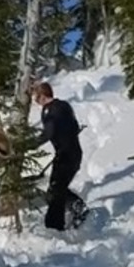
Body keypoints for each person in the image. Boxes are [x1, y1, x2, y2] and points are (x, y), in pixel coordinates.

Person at [32, 81, 88, 231]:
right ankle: (77, 208)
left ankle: (54, 226)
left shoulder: (48, 110)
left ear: (42, 96)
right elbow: (74, 126)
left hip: (65, 155)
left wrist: (30, 144)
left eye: (36, 97)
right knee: (57, 188)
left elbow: (49, 133)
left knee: (56, 190)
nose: (35, 101)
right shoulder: (64, 105)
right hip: (74, 153)